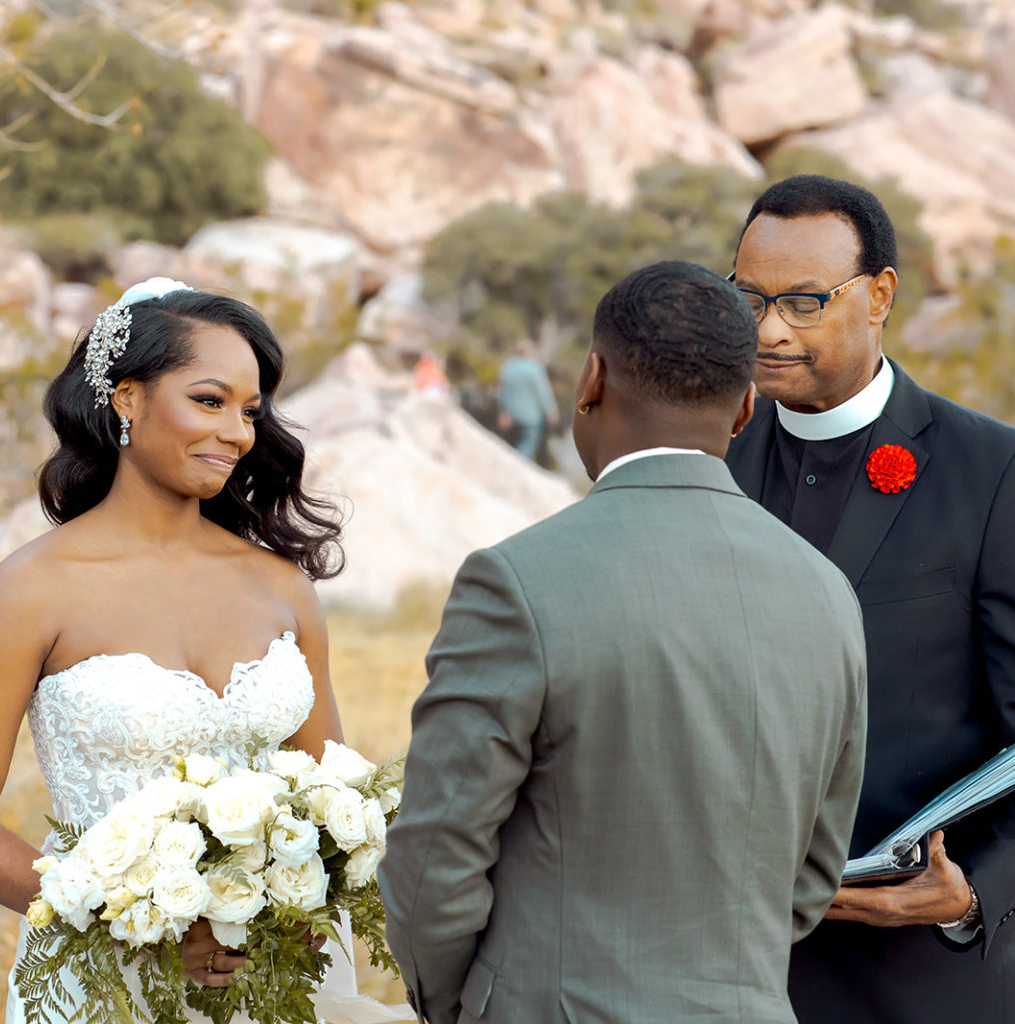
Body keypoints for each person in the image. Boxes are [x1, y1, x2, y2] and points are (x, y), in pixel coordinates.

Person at [379, 261, 868, 1024]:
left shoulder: (516, 580)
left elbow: (433, 859)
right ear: (745, 407)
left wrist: (465, 1004)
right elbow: (812, 874)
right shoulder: (829, 593)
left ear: (591, 379)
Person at [0, 278, 406, 1023]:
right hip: (100, 983)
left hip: (277, 979)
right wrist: (127, 923)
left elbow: (328, 793)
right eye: (209, 401)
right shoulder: (31, 591)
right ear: (127, 399)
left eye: (249, 411)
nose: (238, 433)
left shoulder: (283, 589)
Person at [725, 174, 1015, 1022]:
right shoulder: (707, 462)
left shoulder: (992, 472)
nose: (770, 330)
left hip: (918, 973)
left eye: (805, 301)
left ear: (880, 295)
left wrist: (969, 900)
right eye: (750, 301)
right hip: (729, 969)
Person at [495, 338, 557, 464]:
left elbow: (502, 392)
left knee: (511, 444)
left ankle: (509, 464)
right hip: (531, 416)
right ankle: (517, 467)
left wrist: (504, 412)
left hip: (511, 414)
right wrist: (550, 409)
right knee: (527, 445)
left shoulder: (508, 367)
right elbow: (543, 392)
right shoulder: (534, 368)